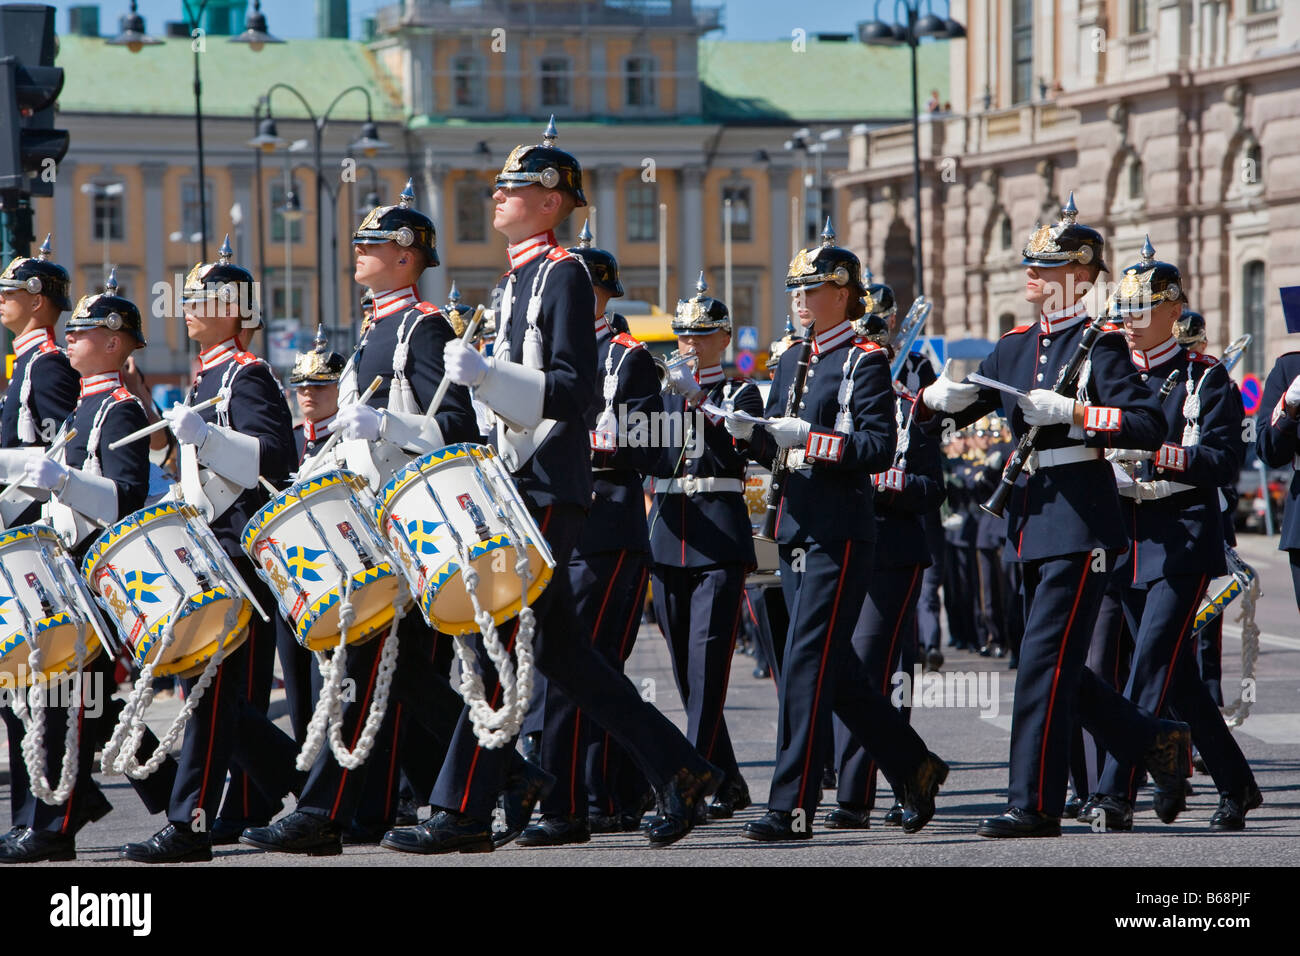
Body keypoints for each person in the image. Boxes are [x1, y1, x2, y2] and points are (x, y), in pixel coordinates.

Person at [399, 118, 720, 853]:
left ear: (549, 200)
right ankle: (680, 769)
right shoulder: (514, 281)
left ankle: (464, 812)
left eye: (511, 188)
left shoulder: (565, 273)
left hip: (547, 484)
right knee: (561, 655)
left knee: (502, 644)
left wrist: (491, 376)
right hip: (513, 486)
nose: (496, 197)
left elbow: (574, 391)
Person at [240, 183, 529, 856]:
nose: (357, 253)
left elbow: (456, 430)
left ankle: (323, 814)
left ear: (406, 256)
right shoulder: (375, 326)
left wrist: (386, 423)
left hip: (411, 523)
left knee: (370, 665)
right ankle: (509, 780)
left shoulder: (424, 326)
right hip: (370, 519)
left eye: (371, 245)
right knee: (400, 677)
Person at [917, 195, 1194, 838]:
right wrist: (933, 401)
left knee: (1042, 664)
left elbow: (1150, 423)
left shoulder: (1101, 345)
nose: (1029, 277)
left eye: (1041, 268)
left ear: (1076, 275)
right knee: (1053, 659)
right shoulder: (1015, 344)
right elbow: (965, 405)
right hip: (1029, 517)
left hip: (1078, 518)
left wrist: (1074, 413)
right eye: (1030, 266)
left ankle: (1034, 803)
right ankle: (1156, 743)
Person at [727, 220, 948, 842]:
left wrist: (812, 441)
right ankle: (914, 766)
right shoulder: (794, 356)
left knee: (803, 663)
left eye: (813, 286)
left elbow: (878, 447)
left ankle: (791, 806)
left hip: (843, 527)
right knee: (834, 667)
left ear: (845, 293)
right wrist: (743, 429)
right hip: (795, 520)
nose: (799, 296)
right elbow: (775, 436)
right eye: (795, 286)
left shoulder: (865, 359)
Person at [120, 238, 302, 862]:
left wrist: (208, 436)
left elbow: (275, 459)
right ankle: (290, 783)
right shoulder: (210, 374)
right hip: (209, 546)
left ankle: (189, 823)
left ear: (234, 309)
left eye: (203, 300)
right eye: (190, 298)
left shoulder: (246, 374)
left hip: (239, 549)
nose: (189, 308)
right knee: (220, 693)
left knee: (211, 693)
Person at [1077, 239, 1259, 831]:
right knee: (1177, 680)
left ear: (1172, 311)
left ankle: (1115, 792)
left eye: (1139, 310)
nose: (1127, 323)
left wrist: (1157, 452)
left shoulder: (1206, 378)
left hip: (1182, 533)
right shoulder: (1110, 371)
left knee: (1149, 662)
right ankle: (1236, 782)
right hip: (1126, 534)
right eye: (1122, 310)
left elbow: (1224, 461)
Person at [0, 271, 178, 863]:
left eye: (79, 333)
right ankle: (177, 792)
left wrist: (66, 482)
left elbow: (126, 497)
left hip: (94, 571)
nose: (67, 340)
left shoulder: (120, 409)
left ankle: (55, 826)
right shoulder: (86, 406)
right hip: (66, 561)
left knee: (69, 704)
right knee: (81, 703)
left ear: (111, 341)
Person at [519, 221, 661, 844]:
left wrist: (607, 440)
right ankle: (613, 786)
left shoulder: (628, 358)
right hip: (551, 515)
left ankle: (587, 795)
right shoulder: (539, 352)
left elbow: (660, 449)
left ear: (601, 296)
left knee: (587, 663)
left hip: (605, 521)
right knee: (558, 665)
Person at [825, 289, 946, 829]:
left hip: (890, 549)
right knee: (838, 669)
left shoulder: (908, 409)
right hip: (837, 543)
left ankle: (867, 794)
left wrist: (889, 481)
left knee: (875, 670)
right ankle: (895, 777)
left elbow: (931, 487)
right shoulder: (827, 400)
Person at [649, 272, 764, 821]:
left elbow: (744, 449)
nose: (689, 344)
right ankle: (731, 779)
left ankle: (689, 785)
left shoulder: (740, 391)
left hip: (718, 535)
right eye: (682, 334)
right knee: (684, 671)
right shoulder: (662, 397)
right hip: (669, 534)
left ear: (724, 337)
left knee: (709, 664)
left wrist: (703, 403)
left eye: (701, 334)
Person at [0, 235, 79, 844]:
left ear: (37, 300)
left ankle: (48, 823)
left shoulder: (46, 363)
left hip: (38, 544)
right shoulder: (23, 362)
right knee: (22, 689)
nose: (1, 299)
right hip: (19, 541)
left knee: (42, 690)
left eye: (9, 290)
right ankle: (45, 815)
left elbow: (54, 460)